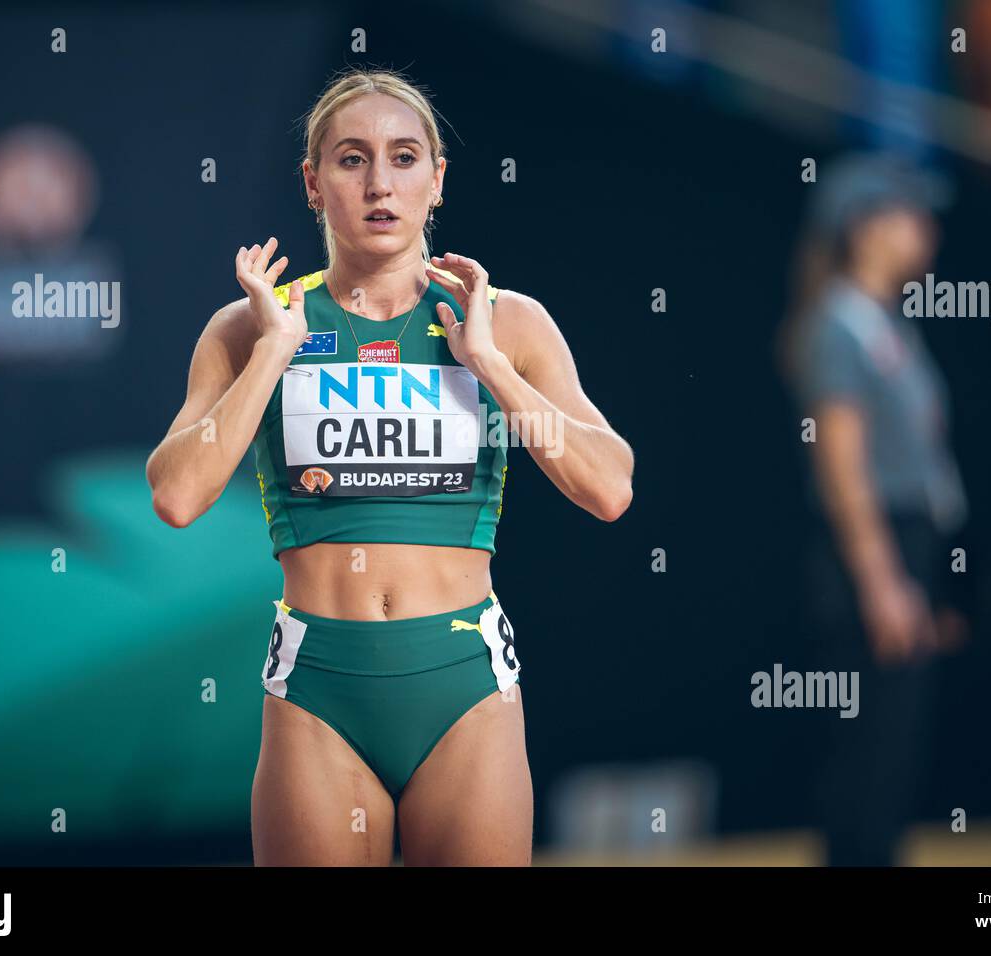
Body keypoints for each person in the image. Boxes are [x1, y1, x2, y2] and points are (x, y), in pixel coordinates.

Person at [145, 69, 634, 866]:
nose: (380, 184)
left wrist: (491, 367)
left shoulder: (507, 322)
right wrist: (273, 353)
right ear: (312, 182)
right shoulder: (249, 327)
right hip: (318, 693)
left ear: (437, 181)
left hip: (463, 685)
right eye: (351, 159)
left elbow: (610, 486)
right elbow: (175, 495)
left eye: (405, 158)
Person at [779, 152, 969, 866]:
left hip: (909, 546)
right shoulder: (838, 327)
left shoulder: (884, 325)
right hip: (870, 552)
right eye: (907, 213)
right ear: (862, 228)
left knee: (894, 745)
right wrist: (882, 581)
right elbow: (842, 467)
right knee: (869, 748)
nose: (925, 229)